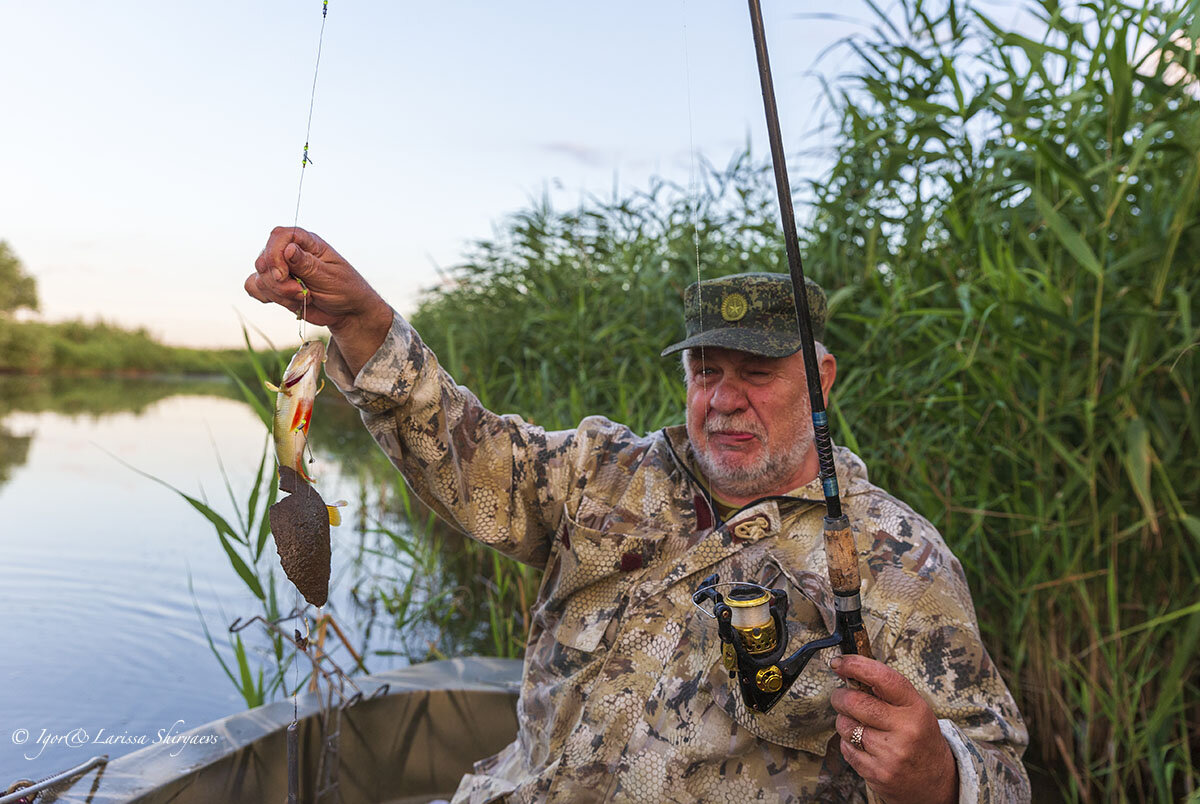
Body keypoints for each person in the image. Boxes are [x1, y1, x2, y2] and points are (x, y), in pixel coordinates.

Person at [247, 227, 1031, 804]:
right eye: (704, 371)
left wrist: (939, 774)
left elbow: (1000, 773)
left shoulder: (900, 560)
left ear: (820, 379)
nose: (722, 400)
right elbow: (467, 459)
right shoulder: (602, 471)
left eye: (755, 374)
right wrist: (361, 322)